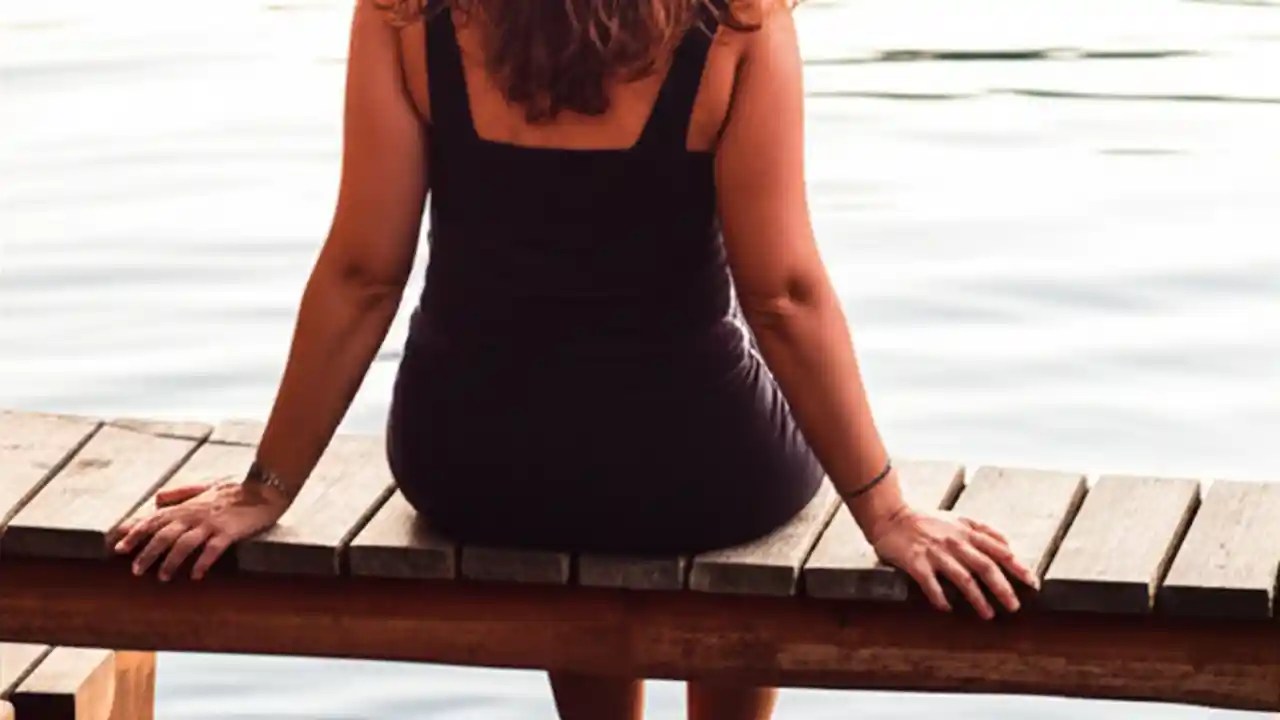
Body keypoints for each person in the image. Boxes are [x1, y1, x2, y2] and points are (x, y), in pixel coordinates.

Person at [114, 0, 1040, 717]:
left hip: (471, 467)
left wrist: (267, 489)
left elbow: (362, 277)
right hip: (698, 475)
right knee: (705, 417)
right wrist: (887, 512)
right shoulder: (735, 20)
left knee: (560, 421)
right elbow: (783, 297)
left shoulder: (409, 15)